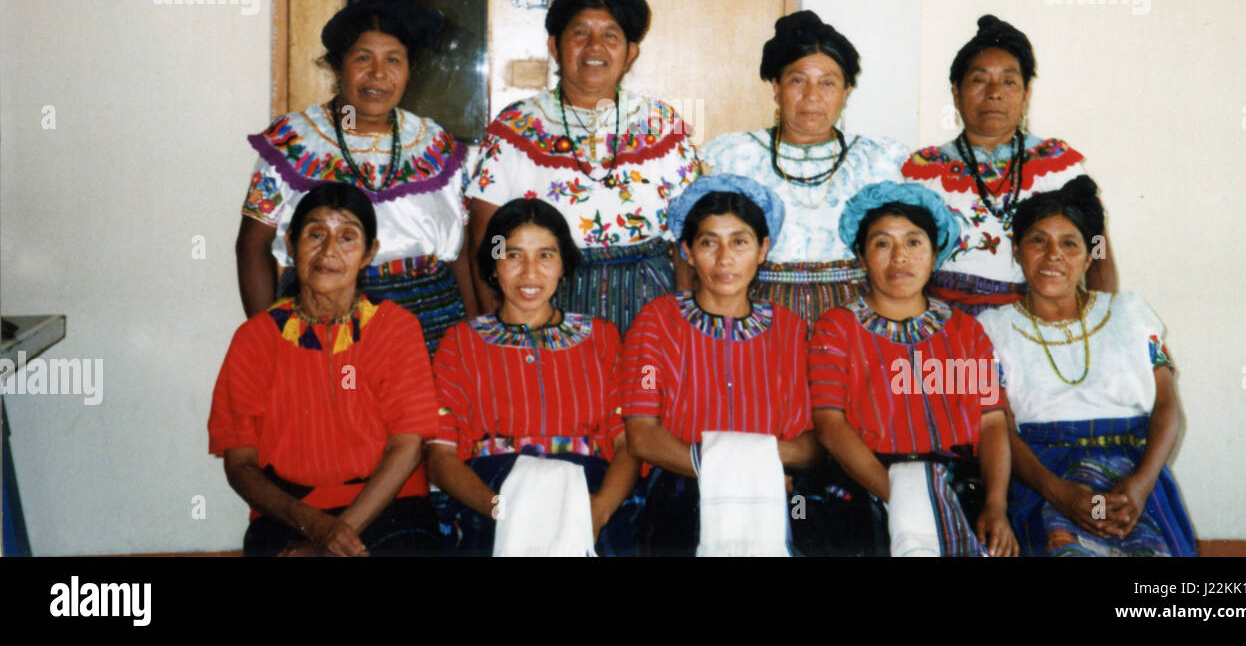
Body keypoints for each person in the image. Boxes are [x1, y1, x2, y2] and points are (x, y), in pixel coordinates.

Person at [236, 0, 476, 354]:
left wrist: (476, 338)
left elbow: (463, 253)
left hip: (430, 327)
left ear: (410, 69)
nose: (378, 74)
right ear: (336, 67)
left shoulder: (436, 146)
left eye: (393, 60)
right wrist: (266, 343)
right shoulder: (291, 142)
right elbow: (253, 246)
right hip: (320, 320)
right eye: (363, 58)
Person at [209, 183, 441, 556]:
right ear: (289, 243)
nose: (329, 251)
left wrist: (333, 539)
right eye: (315, 234)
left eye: (347, 237)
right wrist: (314, 526)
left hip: (390, 508)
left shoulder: (397, 328)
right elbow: (240, 465)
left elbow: (408, 446)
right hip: (290, 514)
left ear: (369, 254)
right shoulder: (254, 339)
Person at [467, 0, 701, 335]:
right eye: (580, 33)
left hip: (649, 302)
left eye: (610, 35)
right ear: (554, 46)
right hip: (547, 300)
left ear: (631, 53)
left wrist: (686, 323)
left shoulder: (662, 125)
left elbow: (688, 238)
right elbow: (487, 238)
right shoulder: (516, 127)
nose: (594, 47)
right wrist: (497, 319)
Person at [978, 176, 1196, 556]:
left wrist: (1141, 486)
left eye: (1069, 244)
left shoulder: (1128, 312)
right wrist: (1057, 491)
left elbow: (1167, 407)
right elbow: (997, 427)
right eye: (1037, 240)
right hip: (1045, 476)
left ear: (1089, 253)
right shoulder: (990, 329)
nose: (1053, 255)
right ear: (1016, 249)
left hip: (1132, 472)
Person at [809, 181, 1017, 557]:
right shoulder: (836, 328)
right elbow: (830, 424)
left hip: (958, 484)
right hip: (866, 486)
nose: (899, 257)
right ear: (861, 256)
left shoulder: (966, 331)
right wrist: (905, 496)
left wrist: (996, 505)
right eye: (882, 244)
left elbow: (991, 421)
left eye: (914, 242)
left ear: (935, 254)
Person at [427, 197, 639, 555]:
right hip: (491, 496)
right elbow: (441, 456)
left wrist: (599, 510)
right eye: (512, 255)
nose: (529, 273)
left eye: (545, 255)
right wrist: (501, 509)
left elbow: (627, 445)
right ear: (493, 265)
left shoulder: (602, 338)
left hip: (589, 494)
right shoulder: (461, 342)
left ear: (563, 265)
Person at [620, 174, 817, 556]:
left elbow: (810, 443)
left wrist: (754, 470)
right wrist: (737, 469)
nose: (725, 259)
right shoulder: (657, 322)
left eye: (740, 242)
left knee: (812, 520)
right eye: (709, 243)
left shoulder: (789, 329)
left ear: (763, 249)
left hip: (778, 489)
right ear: (688, 252)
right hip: (683, 485)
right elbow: (642, 435)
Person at [701, 11, 908, 327]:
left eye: (828, 83)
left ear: (846, 91)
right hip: (759, 315)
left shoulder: (875, 160)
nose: (812, 96)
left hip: (856, 319)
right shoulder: (738, 157)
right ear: (775, 86)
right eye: (798, 80)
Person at [901, 14, 1117, 317]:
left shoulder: (1057, 167)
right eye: (979, 80)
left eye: (1008, 81)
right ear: (956, 91)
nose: (994, 92)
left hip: (1036, 321)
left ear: (1026, 93)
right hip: (946, 325)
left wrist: (1102, 316)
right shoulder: (924, 172)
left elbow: (1098, 245)